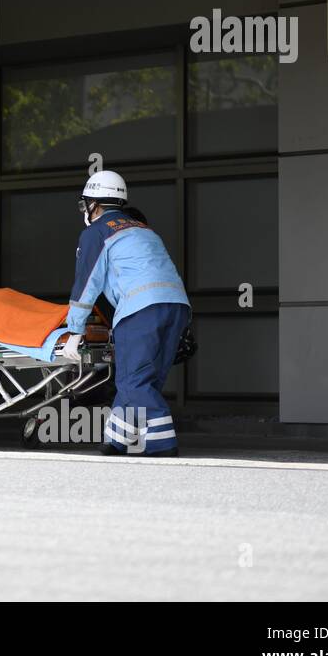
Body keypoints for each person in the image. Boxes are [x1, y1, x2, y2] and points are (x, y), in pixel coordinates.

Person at [61, 171, 190, 457]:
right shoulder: (143, 229)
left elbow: (86, 285)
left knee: (133, 380)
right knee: (144, 378)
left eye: (85, 205)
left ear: (94, 204)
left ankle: (161, 441)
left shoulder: (96, 233)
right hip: (176, 306)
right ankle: (116, 438)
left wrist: (74, 331)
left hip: (140, 308)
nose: (85, 211)